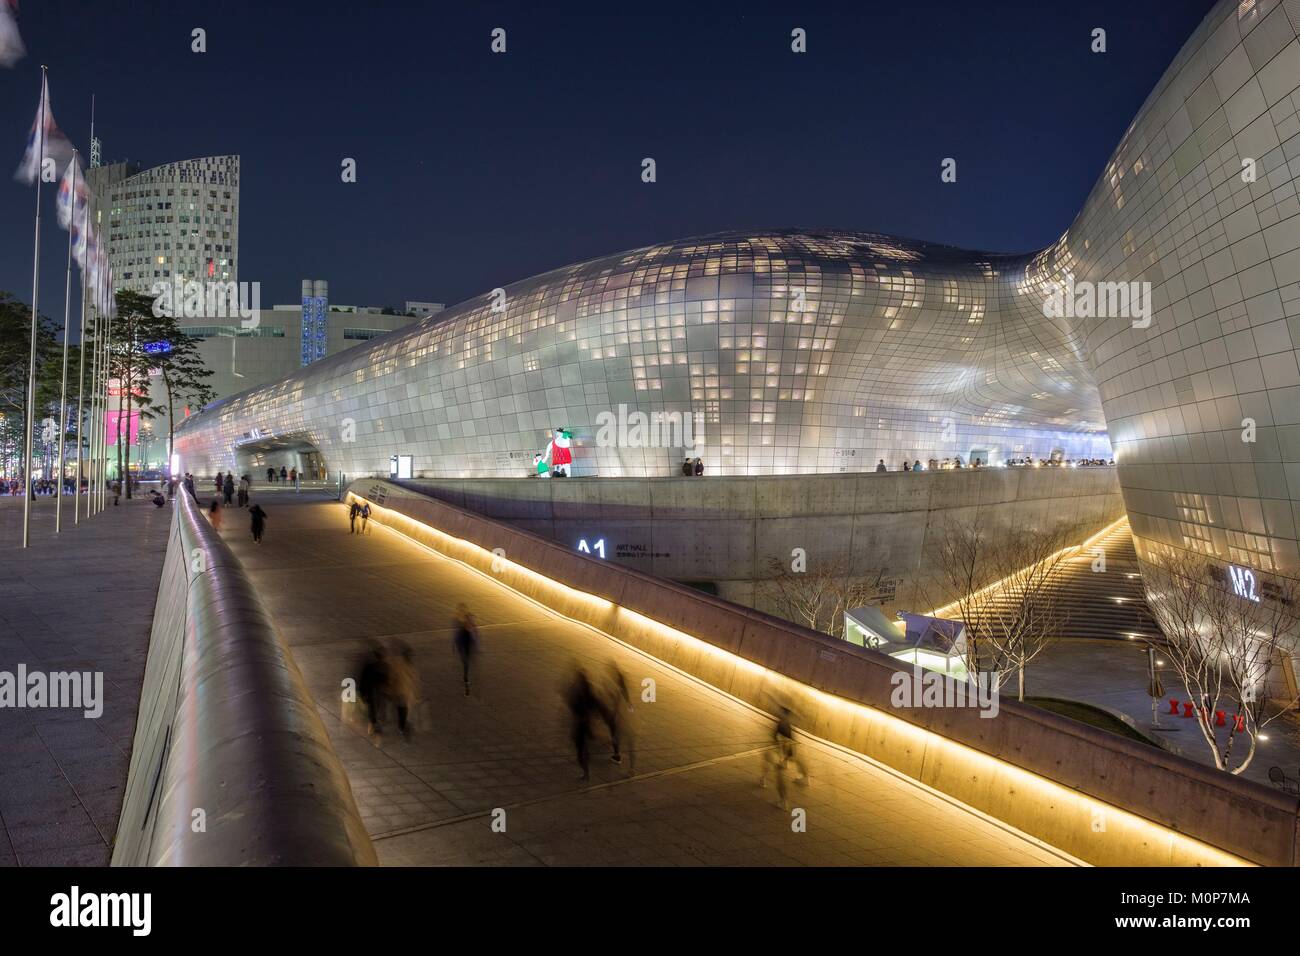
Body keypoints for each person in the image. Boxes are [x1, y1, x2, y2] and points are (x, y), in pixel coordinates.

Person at [760, 705, 809, 809]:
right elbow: (789, 743)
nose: (778, 714)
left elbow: (780, 741)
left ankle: (783, 800)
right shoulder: (787, 725)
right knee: (773, 762)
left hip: (781, 751)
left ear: (784, 715)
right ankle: (805, 778)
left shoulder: (782, 725)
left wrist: (783, 757)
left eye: (781, 713)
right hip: (785, 751)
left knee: (778, 774)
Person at [566, 667, 600, 781]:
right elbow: (595, 705)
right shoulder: (589, 690)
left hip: (581, 724)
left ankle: (586, 772)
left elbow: (573, 705)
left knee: (580, 748)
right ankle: (586, 769)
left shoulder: (579, 692)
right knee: (583, 746)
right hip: (586, 723)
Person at [601, 661, 634, 769]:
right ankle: (614, 745)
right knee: (612, 729)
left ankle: (617, 755)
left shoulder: (616, 683)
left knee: (614, 731)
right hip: (614, 711)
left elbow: (617, 695)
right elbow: (624, 693)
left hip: (613, 712)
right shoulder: (617, 682)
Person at [453, 604, 479, 696]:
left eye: (471, 620)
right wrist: (455, 647)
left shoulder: (471, 627)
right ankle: (466, 680)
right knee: (466, 663)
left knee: (467, 663)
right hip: (463, 646)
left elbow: (475, 637)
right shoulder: (462, 630)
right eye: (469, 620)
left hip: (468, 646)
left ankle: (466, 678)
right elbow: (457, 638)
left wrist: (476, 646)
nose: (470, 622)